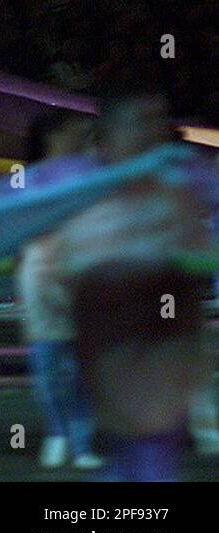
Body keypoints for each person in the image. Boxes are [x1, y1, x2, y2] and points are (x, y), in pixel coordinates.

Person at [57, 93, 216, 481]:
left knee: (151, 446)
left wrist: (179, 261)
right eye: (140, 121)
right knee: (138, 448)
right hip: (112, 339)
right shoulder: (79, 192)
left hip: (167, 339)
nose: (153, 131)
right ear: (107, 140)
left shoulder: (182, 183)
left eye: (159, 120)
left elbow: (202, 252)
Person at [12, 114, 102, 470]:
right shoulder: (30, 179)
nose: (81, 139)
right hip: (42, 274)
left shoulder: (90, 173)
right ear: (53, 137)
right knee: (48, 361)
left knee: (81, 365)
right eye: (74, 134)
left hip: (81, 273)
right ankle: (58, 433)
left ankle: (81, 443)